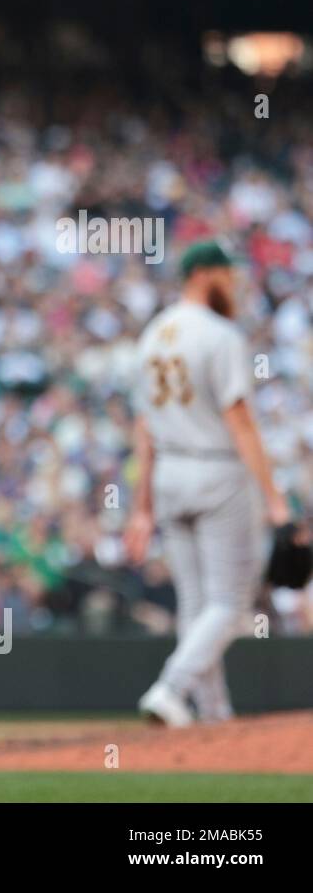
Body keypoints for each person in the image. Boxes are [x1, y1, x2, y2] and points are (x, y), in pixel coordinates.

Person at [124, 241, 289, 727]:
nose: (232, 282)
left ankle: (214, 714)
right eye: (225, 273)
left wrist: (142, 505)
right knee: (231, 604)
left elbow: (143, 427)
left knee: (196, 605)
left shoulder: (152, 335)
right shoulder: (220, 335)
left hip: (170, 472)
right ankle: (171, 687)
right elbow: (240, 420)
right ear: (202, 274)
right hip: (217, 469)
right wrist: (275, 498)